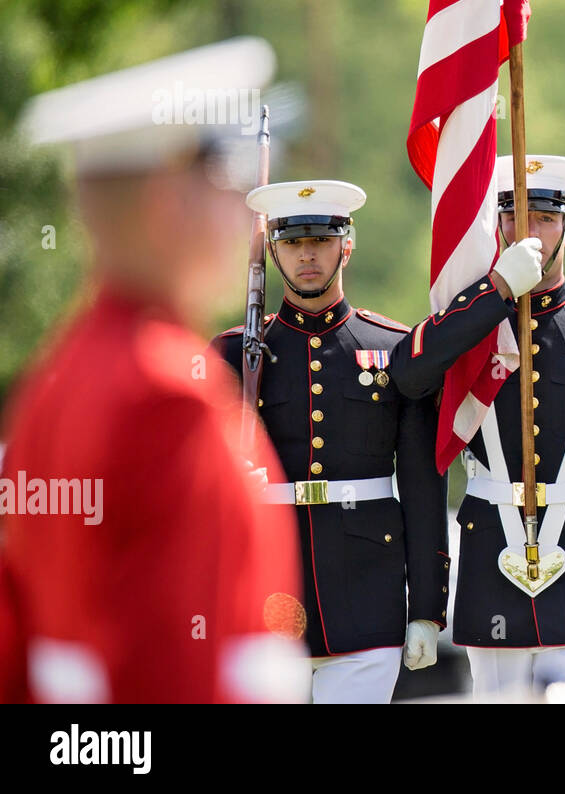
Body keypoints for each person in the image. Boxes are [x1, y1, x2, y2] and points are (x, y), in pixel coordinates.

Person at [0, 39, 307, 703]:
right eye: (230, 184)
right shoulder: (165, 391)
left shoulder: (55, 380)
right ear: (170, 202)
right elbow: (178, 669)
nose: (250, 218)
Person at [389, 154, 565, 699]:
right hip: (491, 558)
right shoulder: (467, 327)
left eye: (543, 218)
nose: (528, 232)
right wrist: (495, 293)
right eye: (513, 217)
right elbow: (409, 376)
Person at [212, 180, 447, 704]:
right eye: (293, 243)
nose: (307, 255)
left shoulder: (390, 348)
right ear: (272, 250)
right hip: (265, 595)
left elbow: (422, 486)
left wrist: (427, 607)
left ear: (348, 242)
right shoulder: (232, 355)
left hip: (368, 596)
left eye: (320, 240)